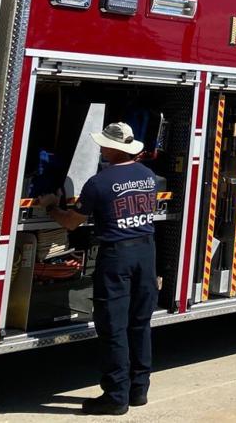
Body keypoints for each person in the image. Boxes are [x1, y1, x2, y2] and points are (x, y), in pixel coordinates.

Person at [40, 122, 158, 416]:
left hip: (117, 257)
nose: (101, 148)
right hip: (146, 251)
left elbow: (71, 222)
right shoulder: (148, 177)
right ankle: (138, 389)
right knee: (139, 323)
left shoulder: (99, 182)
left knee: (114, 327)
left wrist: (52, 206)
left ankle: (115, 396)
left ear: (114, 149)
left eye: (104, 144)